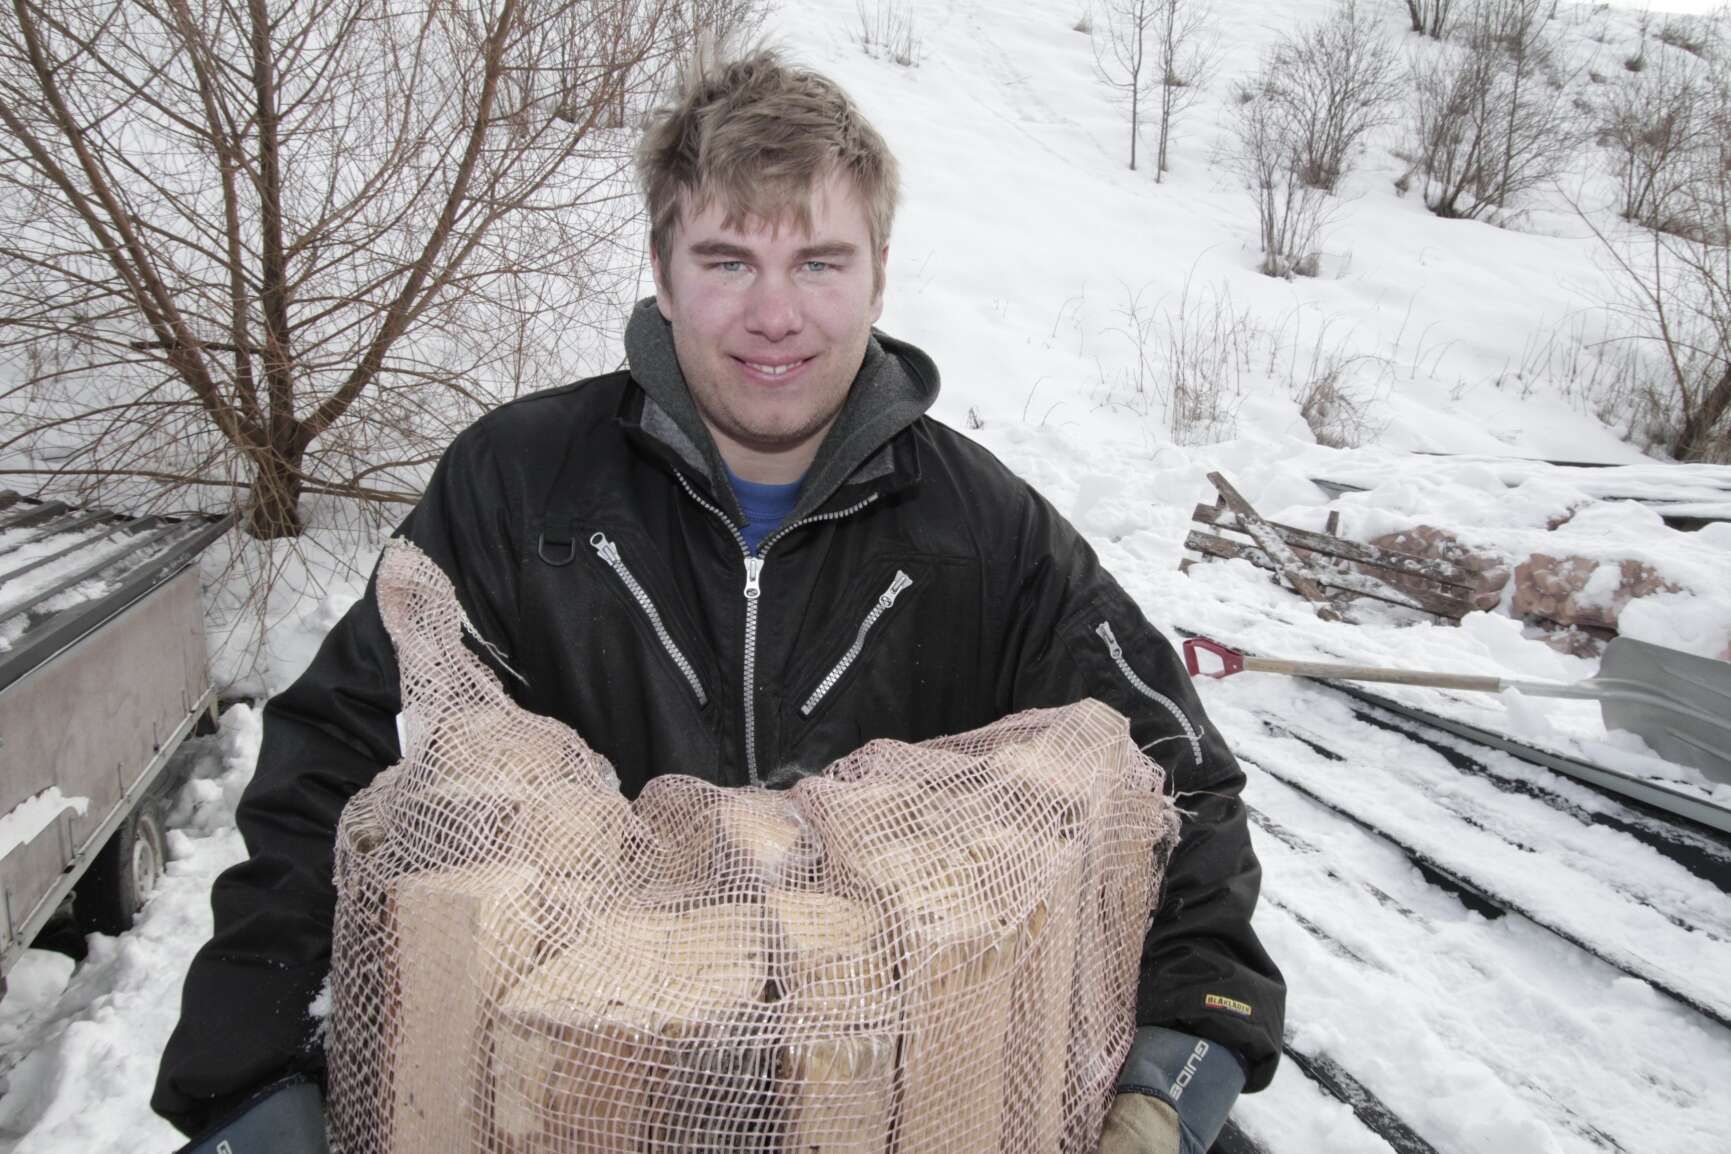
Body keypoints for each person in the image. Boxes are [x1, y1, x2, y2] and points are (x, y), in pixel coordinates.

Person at [155, 48, 1284, 1154]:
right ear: (662, 268)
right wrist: (252, 1066)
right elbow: (337, 754)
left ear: (880, 272)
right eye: (728, 260)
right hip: (562, 1105)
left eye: (821, 262)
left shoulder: (985, 533)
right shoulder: (517, 486)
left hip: (892, 1108)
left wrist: (1186, 1053)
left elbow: (1176, 773)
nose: (775, 315)